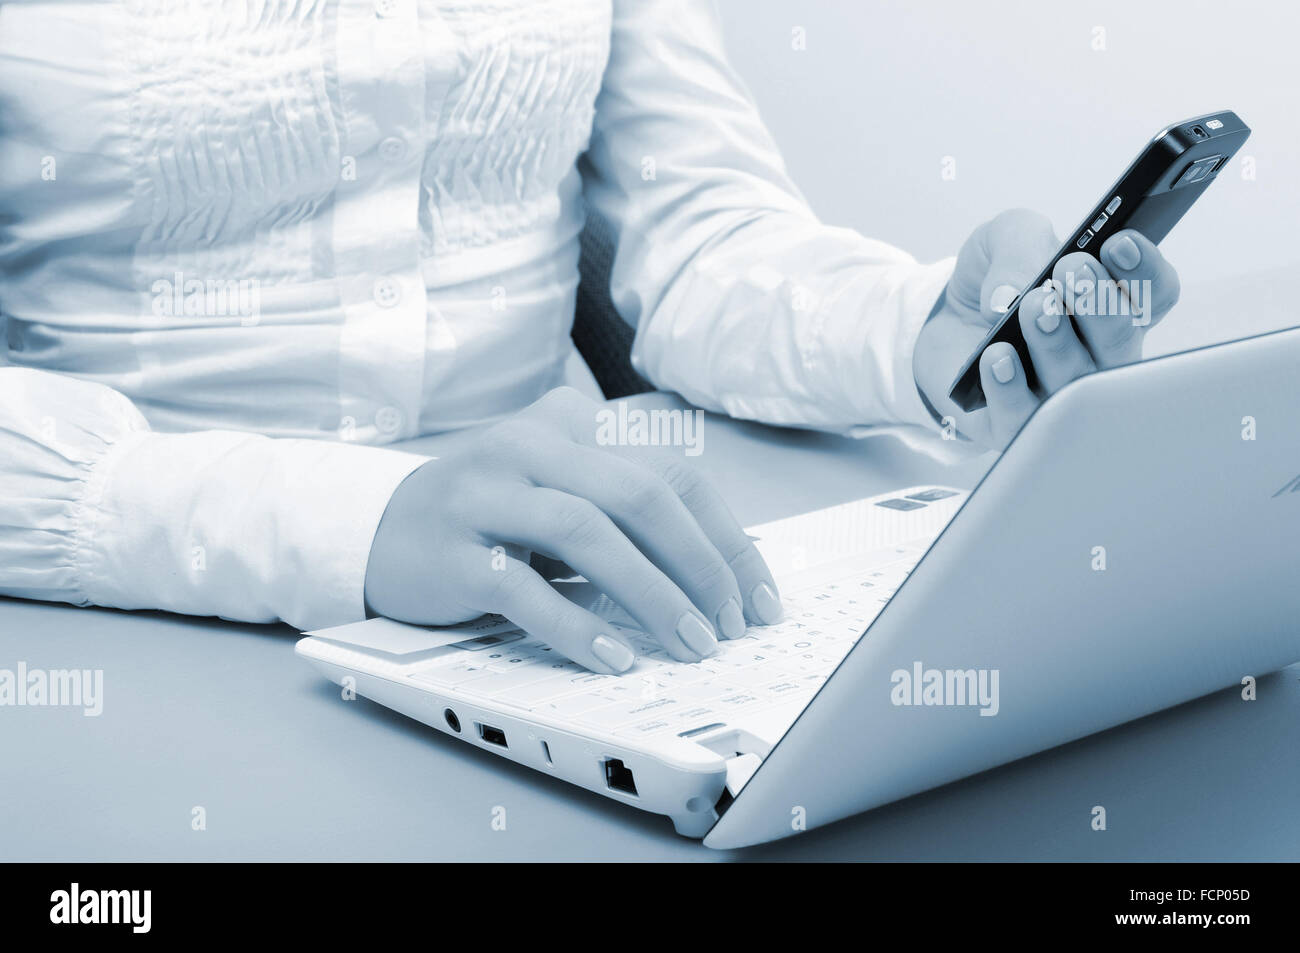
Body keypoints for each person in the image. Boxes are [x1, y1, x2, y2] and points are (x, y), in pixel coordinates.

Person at [0, 1, 1178, 674]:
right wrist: (348, 520)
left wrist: (915, 329)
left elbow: (693, 229)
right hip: (115, 609)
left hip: (556, 567)